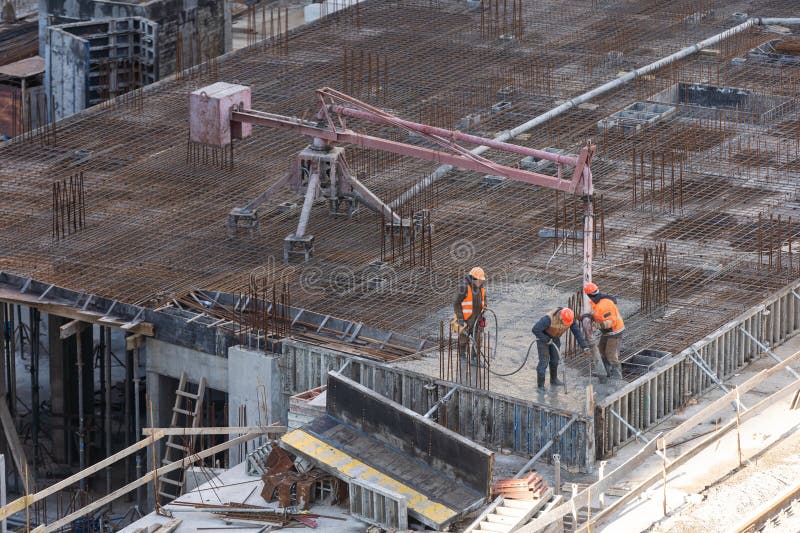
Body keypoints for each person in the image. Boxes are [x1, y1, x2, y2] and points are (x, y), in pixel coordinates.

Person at [532, 307, 590, 389]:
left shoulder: (570, 319)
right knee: (544, 361)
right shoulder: (548, 319)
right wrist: (545, 339)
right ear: (560, 316)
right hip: (543, 339)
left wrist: (584, 346)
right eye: (564, 322)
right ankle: (540, 385)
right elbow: (535, 329)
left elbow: (577, 333)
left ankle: (554, 380)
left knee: (555, 361)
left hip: (555, 338)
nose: (565, 325)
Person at [584, 282, 625, 379]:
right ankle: (606, 372)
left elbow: (611, 322)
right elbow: (598, 315)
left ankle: (617, 377)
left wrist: (598, 325)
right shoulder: (597, 301)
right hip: (607, 332)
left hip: (615, 331)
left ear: (589, 295)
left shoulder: (605, 304)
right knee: (601, 350)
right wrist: (589, 317)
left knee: (610, 355)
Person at [453, 267, 486, 367]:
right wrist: (460, 318)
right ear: (473, 278)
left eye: (482, 280)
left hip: (477, 319)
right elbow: (456, 303)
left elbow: (484, 300)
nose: (481, 282)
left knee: (478, 339)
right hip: (466, 319)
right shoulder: (464, 287)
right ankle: (462, 355)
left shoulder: (481, 288)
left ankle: (474, 358)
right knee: (463, 339)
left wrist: (483, 314)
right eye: (479, 280)